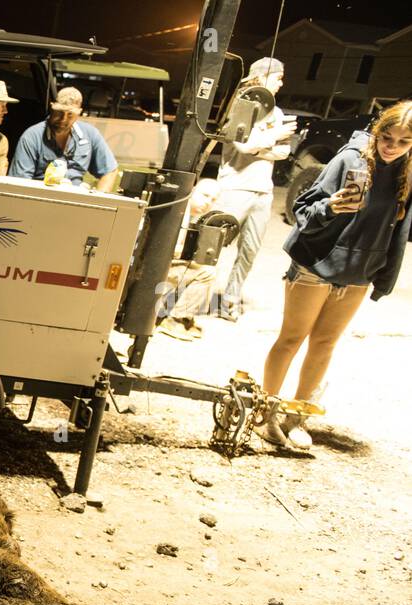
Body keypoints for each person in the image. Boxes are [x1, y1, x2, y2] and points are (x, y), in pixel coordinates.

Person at [256, 101, 412, 449]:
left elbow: (399, 230)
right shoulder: (350, 159)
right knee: (292, 339)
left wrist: (382, 276)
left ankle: (296, 416)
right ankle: (264, 412)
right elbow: (301, 210)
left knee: (324, 344)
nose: (392, 147)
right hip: (316, 262)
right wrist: (330, 206)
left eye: (403, 142)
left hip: (359, 271)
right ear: (377, 132)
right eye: (388, 137)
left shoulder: (408, 172)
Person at [216, 58, 295, 322]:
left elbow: (284, 152)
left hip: (263, 189)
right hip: (235, 185)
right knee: (213, 245)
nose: (281, 82)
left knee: (249, 250)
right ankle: (187, 297)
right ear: (261, 77)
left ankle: (230, 298)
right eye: (278, 76)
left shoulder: (278, 113)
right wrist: (270, 140)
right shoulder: (242, 105)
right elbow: (242, 146)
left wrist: (260, 144)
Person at [9, 87, 118, 193]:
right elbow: (19, 183)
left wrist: (99, 202)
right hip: (41, 199)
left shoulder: (90, 134)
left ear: (79, 113)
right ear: (52, 108)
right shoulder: (32, 137)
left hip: (76, 201)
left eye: (70, 114)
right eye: (59, 112)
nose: (63, 119)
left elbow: (110, 171)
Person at [156, 178, 222, 341]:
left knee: (205, 264)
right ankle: (177, 318)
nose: (208, 202)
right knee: (206, 272)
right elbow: (171, 250)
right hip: (157, 267)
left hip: (166, 264)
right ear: (192, 191)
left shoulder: (189, 213)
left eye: (213, 200)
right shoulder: (180, 211)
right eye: (205, 195)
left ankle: (186, 316)